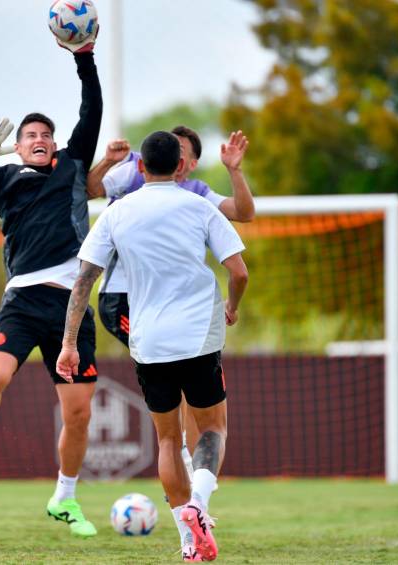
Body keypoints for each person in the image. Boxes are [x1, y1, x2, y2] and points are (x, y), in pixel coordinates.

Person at [57, 131, 249, 562]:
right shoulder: (199, 206)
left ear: (141, 167)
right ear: (180, 166)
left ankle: (187, 542)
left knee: (167, 441)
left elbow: (84, 281)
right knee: (212, 428)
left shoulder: (117, 213)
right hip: (198, 334)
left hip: (148, 341)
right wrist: (231, 307)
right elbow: (238, 272)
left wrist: (69, 343)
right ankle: (200, 504)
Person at [0, 31, 101, 538]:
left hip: (71, 309)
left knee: (77, 415)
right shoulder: (5, 181)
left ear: (54, 145)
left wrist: (85, 59)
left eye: (45, 135)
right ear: (17, 146)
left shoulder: (72, 168)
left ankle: (65, 498)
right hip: (21, 302)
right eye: (29, 135)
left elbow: (91, 109)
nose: (38, 139)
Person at [86, 127, 254, 475]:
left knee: (182, 389)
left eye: (182, 151)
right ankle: (187, 471)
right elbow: (89, 190)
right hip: (122, 300)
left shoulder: (196, 196)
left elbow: (243, 211)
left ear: (188, 164)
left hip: (173, 311)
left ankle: (185, 472)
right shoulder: (133, 174)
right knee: (176, 380)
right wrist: (106, 162)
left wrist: (234, 171)